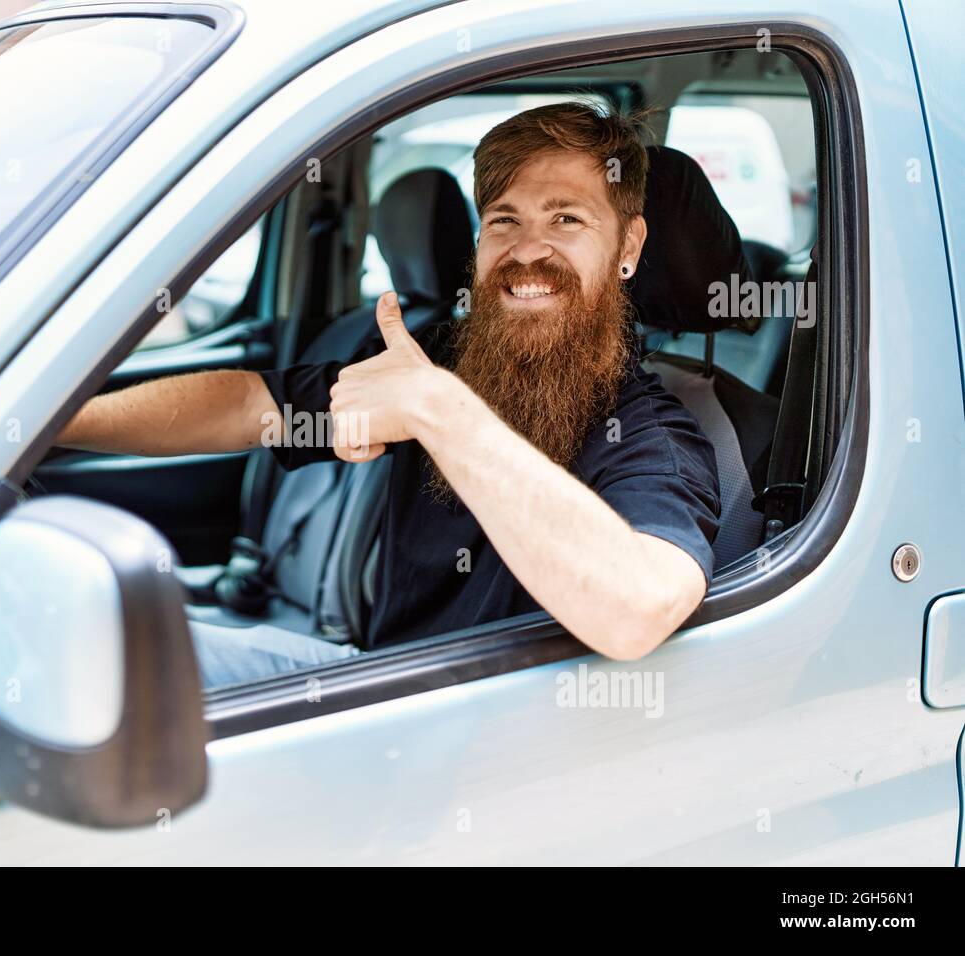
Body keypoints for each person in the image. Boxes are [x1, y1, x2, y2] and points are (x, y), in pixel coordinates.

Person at [57, 102, 721, 687]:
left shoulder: (648, 433)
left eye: (566, 220)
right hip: (379, 683)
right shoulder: (438, 358)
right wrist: (52, 424)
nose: (528, 251)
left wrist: (441, 411)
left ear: (628, 246)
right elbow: (246, 406)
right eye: (504, 221)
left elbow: (638, 610)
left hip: (472, 739)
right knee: (93, 641)